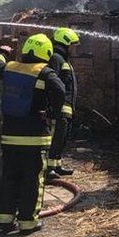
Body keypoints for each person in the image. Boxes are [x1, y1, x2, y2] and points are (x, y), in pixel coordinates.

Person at [0, 34, 65, 235]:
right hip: (35, 138)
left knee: (9, 176)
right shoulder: (45, 72)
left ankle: (4, 219)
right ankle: (28, 222)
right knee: (32, 180)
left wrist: (1, 53)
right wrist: (52, 113)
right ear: (47, 53)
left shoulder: (10, 67)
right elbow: (60, 91)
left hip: (9, 136)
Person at [46, 27, 79, 179]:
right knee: (55, 137)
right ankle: (48, 169)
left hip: (67, 108)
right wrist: (54, 107)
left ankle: (56, 165)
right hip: (60, 108)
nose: (74, 48)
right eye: (73, 44)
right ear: (65, 42)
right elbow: (53, 83)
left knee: (62, 138)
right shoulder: (56, 59)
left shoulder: (63, 59)